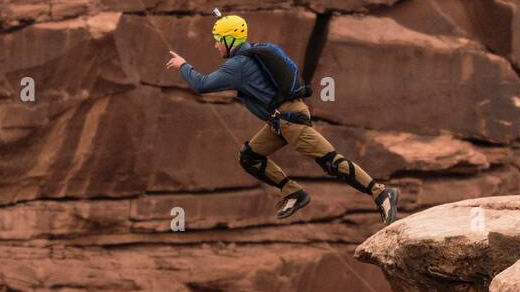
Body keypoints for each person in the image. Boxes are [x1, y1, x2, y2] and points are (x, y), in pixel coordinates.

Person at [166, 13, 399, 225]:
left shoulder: (238, 65)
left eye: (218, 39)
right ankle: (294, 192)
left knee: (331, 161)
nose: (216, 45)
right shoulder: (254, 51)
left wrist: (183, 65)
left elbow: (201, 85)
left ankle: (380, 192)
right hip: (280, 122)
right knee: (250, 157)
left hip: (290, 120)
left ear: (229, 41)